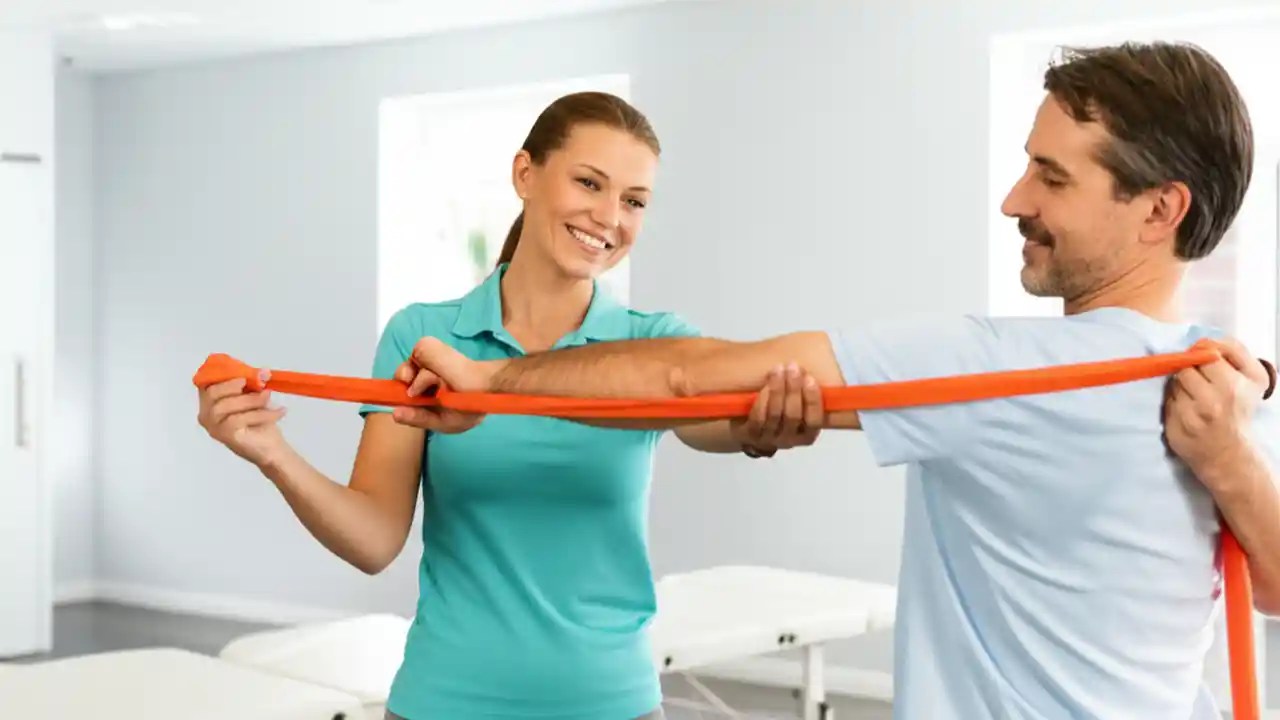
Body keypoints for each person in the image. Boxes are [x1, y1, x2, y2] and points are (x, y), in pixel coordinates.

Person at [392, 43, 1280, 718]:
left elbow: (684, 374)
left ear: (1161, 209)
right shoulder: (1224, 382)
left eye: (1051, 175)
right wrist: (1236, 465)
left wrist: (491, 376)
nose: (1014, 199)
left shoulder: (1003, 371)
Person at [196, 91, 830, 720]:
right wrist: (271, 453)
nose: (610, 216)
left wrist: (758, 427)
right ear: (525, 174)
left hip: (613, 705)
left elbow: (710, 416)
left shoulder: (653, 344)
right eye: (589, 182)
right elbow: (374, 539)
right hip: (444, 703)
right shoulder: (425, 338)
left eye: (634, 201)